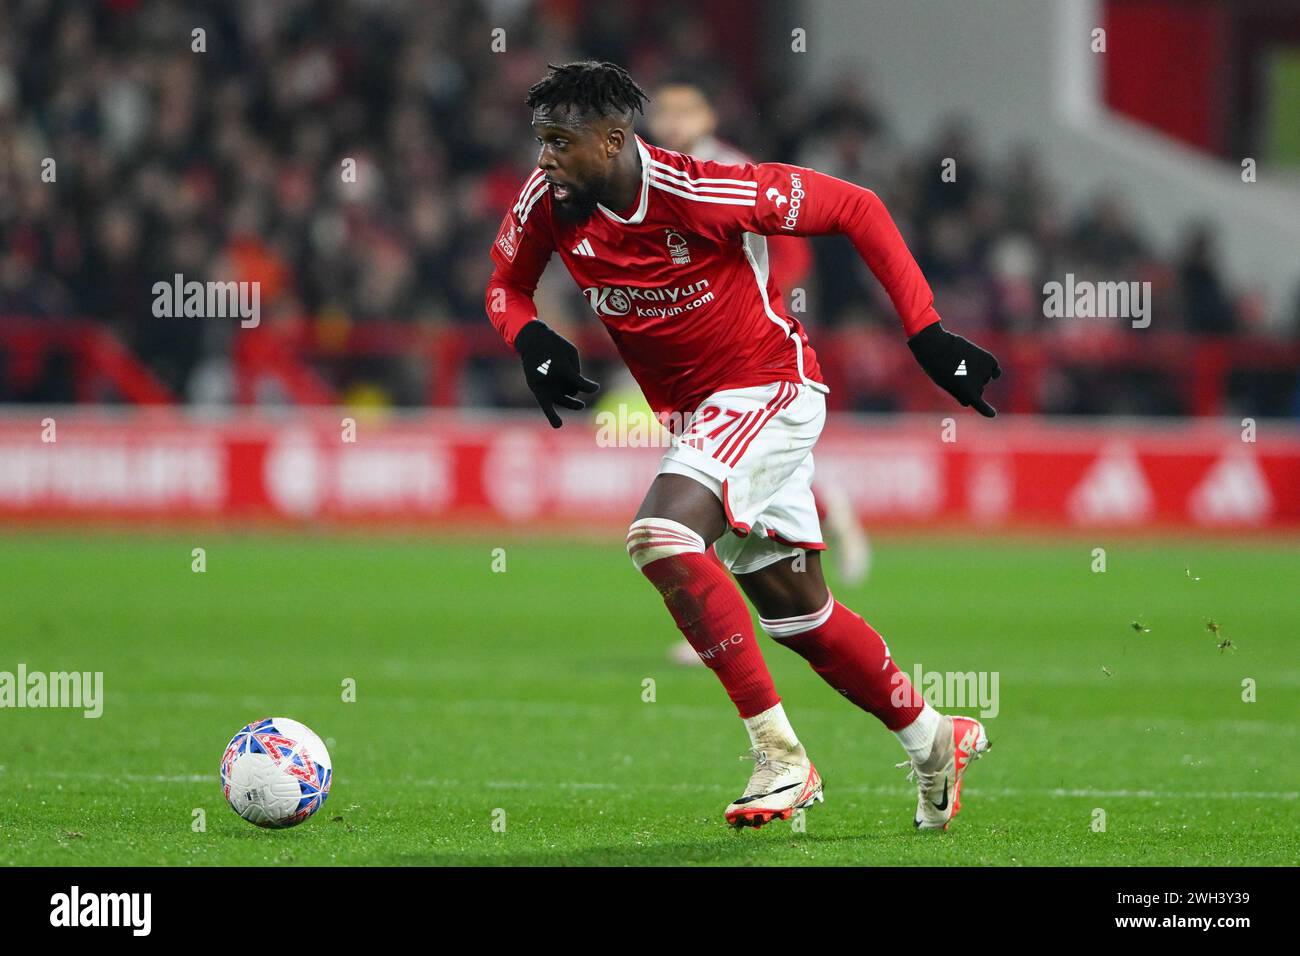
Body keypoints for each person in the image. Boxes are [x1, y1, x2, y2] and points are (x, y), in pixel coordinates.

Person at [486, 62, 1000, 830]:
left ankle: (780, 759)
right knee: (801, 615)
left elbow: (855, 206)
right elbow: (505, 284)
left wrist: (926, 331)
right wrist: (529, 338)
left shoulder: (703, 191)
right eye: (540, 141)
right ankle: (935, 739)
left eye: (561, 142)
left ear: (615, 140)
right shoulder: (547, 203)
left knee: (659, 535)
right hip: (700, 417)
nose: (544, 159)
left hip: (769, 386)